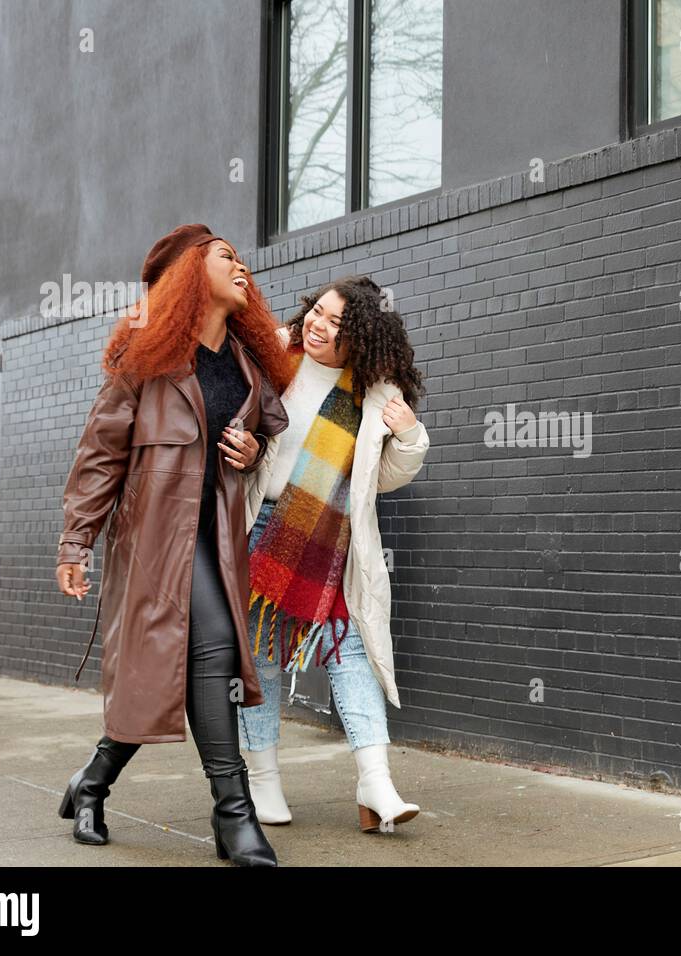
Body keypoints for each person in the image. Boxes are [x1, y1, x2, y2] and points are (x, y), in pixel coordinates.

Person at [54, 223, 296, 866]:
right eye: (225, 257)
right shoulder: (147, 358)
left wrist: (250, 448)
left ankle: (92, 782)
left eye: (242, 259)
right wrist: (74, 543)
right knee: (213, 652)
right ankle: (234, 817)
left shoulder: (246, 369)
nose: (241, 267)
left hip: (216, 539)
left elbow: (266, 440)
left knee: (169, 673)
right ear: (191, 274)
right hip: (155, 542)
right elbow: (99, 456)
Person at [238, 274, 429, 832]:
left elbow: (382, 479)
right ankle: (263, 780)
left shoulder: (376, 392)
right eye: (317, 311)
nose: (318, 325)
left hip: (331, 537)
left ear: (361, 339)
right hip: (259, 525)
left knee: (350, 652)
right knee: (263, 657)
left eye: (336, 323)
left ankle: (377, 783)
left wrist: (412, 436)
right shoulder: (273, 355)